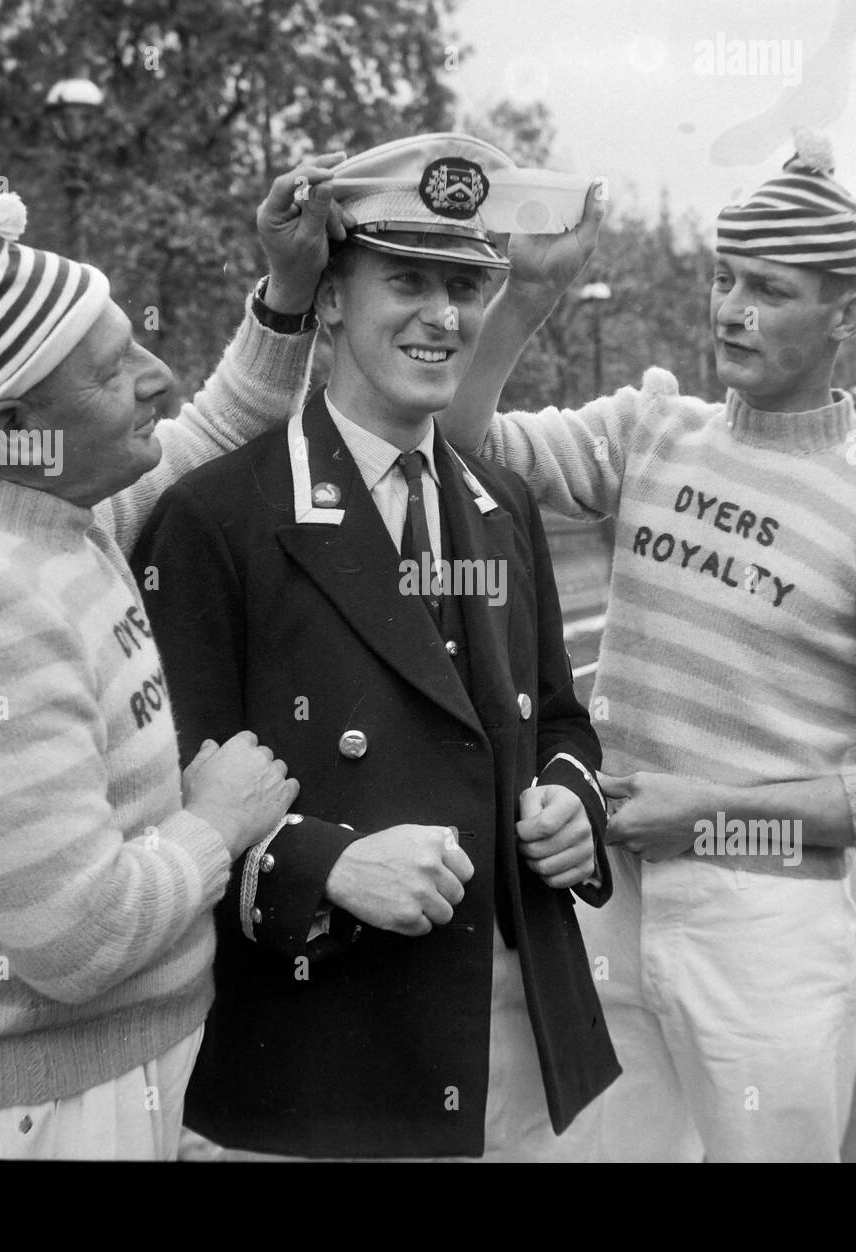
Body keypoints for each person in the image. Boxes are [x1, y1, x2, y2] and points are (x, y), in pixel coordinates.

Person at [438, 131, 856, 1161]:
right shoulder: (650, 429)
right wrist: (526, 299)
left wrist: (716, 815)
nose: (730, 309)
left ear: (848, 317)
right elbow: (463, 447)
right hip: (596, 894)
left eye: (770, 289)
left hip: (762, 921)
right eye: (724, 278)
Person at [0, 153, 348, 1161]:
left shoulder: (53, 524)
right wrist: (218, 822)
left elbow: (205, 430)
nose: (154, 374)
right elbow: (76, 940)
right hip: (24, 1118)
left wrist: (286, 293)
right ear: (16, 430)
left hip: (83, 1087)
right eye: (113, 370)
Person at [133, 133, 620, 1161]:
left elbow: (556, 715)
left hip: (515, 1048)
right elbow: (163, 783)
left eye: (466, 286)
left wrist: (573, 799)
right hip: (326, 1061)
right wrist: (329, 862)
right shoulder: (217, 516)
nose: (443, 317)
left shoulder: (504, 505)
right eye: (406, 279)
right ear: (335, 300)